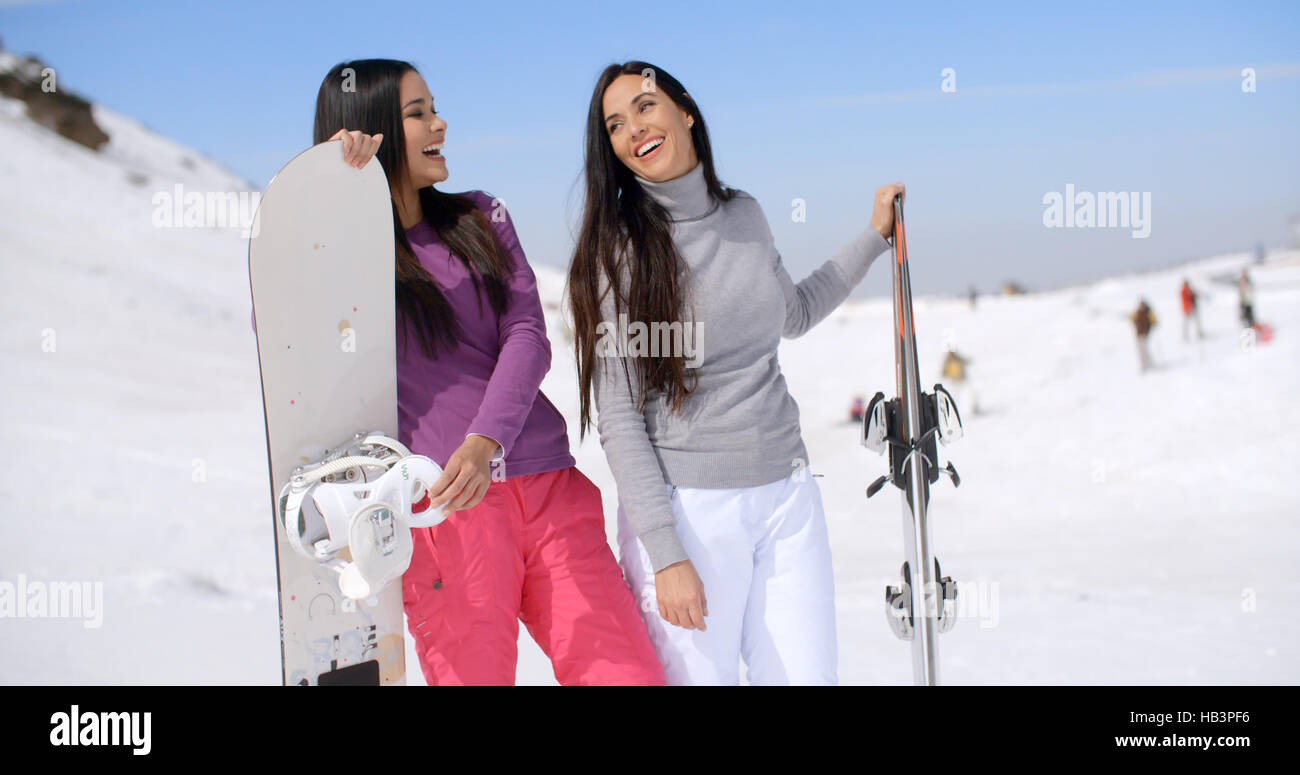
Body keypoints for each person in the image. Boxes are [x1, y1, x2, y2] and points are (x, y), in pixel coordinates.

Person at [309, 59, 664, 686]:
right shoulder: (344, 252)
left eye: (433, 108)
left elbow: (527, 333)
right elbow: (286, 336)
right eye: (417, 113)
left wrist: (485, 440)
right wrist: (330, 194)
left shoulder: (479, 217)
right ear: (370, 129)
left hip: (547, 486)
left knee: (625, 674)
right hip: (446, 513)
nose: (439, 123)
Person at [566, 61, 897, 685]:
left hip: (788, 493)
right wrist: (666, 555)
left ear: (685, 110)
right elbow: (617, 412)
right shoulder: (621, 249)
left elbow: (792, 313)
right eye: (614, 125)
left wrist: (874, 238)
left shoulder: (744, 213)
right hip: (691, 511)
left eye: (644, 106)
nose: (634, 129)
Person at [1130, 298, 1157, 372]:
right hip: (1139, 333)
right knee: (1140, 350)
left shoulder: (1148, 312)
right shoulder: (1137, 312)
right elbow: (1132, 318)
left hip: (1145, 333)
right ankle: (1144, 364)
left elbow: (1154, 320)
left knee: (1144, 349)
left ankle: (1149, 363)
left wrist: (1154, 323)